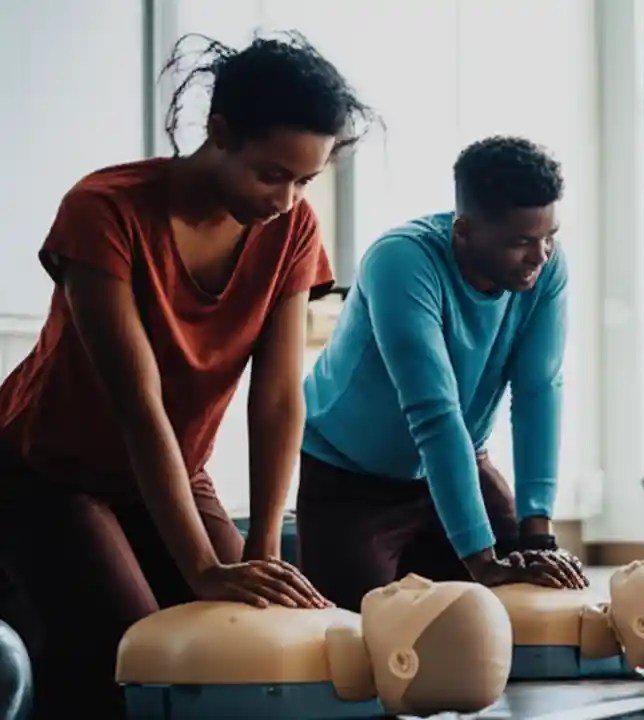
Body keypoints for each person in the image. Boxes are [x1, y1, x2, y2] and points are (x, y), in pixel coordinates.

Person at [0, 31, 375, 718]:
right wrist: (202, 568)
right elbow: (136, 402)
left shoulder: (291, 230)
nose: (287, 200)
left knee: (252, 636)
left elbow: (277, 396)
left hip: (173, 467)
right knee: (129, 645)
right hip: (46, 468)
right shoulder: (103, 210)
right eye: (271, 174)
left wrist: (263, 547)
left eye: (306, 180)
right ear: (219, 131)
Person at [296, 135, 588, 613]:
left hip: (460, 461)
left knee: (529, 602)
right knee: (357, 637)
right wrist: (483, 561)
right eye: (520, 242)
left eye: (548, 237)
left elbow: (539, 391)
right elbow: (434, 411)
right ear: (465, 230)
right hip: (351, 477)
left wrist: (538, 531)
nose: (540, 255)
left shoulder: (546, 268)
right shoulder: (401, 262)